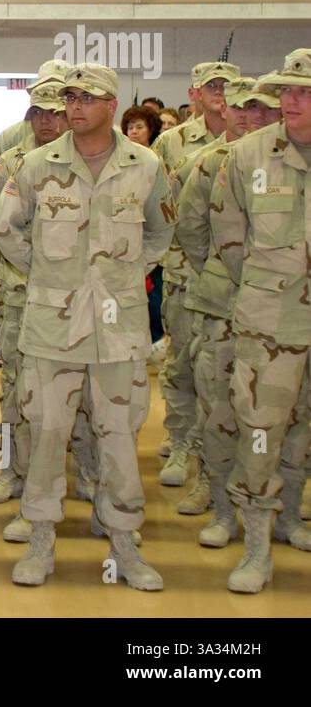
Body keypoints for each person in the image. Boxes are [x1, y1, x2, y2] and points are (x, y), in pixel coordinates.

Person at [0, 63, 175, 591]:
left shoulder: (145, 165)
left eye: (86, 99)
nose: (74, 108)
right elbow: (5, 227)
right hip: (52, 327)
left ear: (112, 106)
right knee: (47, 433)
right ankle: (42, 539)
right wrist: (50, 276)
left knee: (118, 438)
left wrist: (121, 274)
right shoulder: (35, 165)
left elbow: (162, 232)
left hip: (119, 332)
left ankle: (122, 540)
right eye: (69, 98)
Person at [207, 49, 311, 591]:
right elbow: (229, 237)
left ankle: (293, 515)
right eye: (285, 91)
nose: (289, 101)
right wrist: (274, 283)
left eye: (302, 92)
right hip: (269, 323)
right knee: (261, 433)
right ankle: (255, 545)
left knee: (302, 432)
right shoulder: (248, 155)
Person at [174, 75, 284, 553]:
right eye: (241, 107)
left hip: (288, 315)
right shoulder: (209, 163)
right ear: (223, 110)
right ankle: (220, 503)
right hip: (222, 307)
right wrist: (224, 273)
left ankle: (284, 509)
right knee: (218, 409)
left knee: (287, 419)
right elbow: (190, 229)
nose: (250, 116)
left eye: (262, 108)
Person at [0, 80, 68, 509]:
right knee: (16, 386)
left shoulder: (98, 161)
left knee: (80, 390)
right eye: (38, 113)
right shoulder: (13, 161)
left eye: (55, 112)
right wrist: (22, 267)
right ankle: (12, 470)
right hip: (23, 293)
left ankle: (81, 471)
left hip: (81, 302)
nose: (46, 120)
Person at [152, 62, 235, 493]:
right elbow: (166, 212)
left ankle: (214, 453)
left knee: (225, 375)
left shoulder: (254, 139)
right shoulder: (173, 143)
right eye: (211, 86)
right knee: (183, 364)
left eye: (227, 85)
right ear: (194, 93)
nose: (220, 92)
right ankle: (182, 440)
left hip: (238, 284)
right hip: (186, 273)